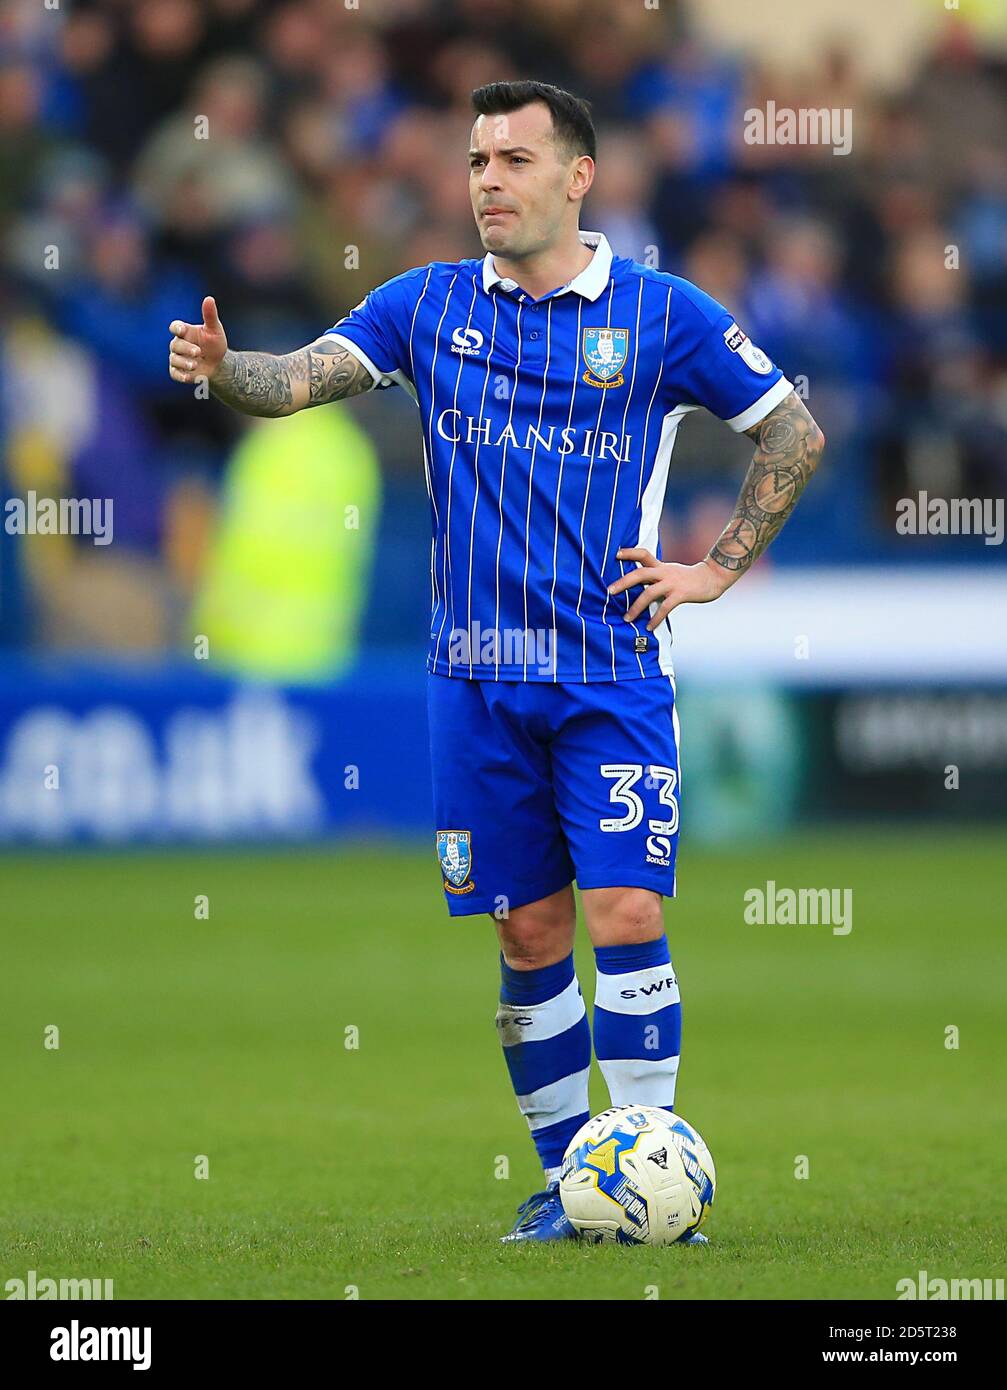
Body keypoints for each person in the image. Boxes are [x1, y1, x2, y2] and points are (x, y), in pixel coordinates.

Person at [168, 79, 825, 1243]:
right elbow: (293, 379)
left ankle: (648, 1168)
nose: (486, 181)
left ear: (577, 178)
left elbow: (789, 429)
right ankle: (570, 1185)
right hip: (472, 683)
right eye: (475, 160)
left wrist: (713, 568)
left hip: (608, 676)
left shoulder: (661, 314)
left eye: (513, 160)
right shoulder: (424, 307)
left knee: (624, 909)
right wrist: (227, 366)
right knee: (528, 937)